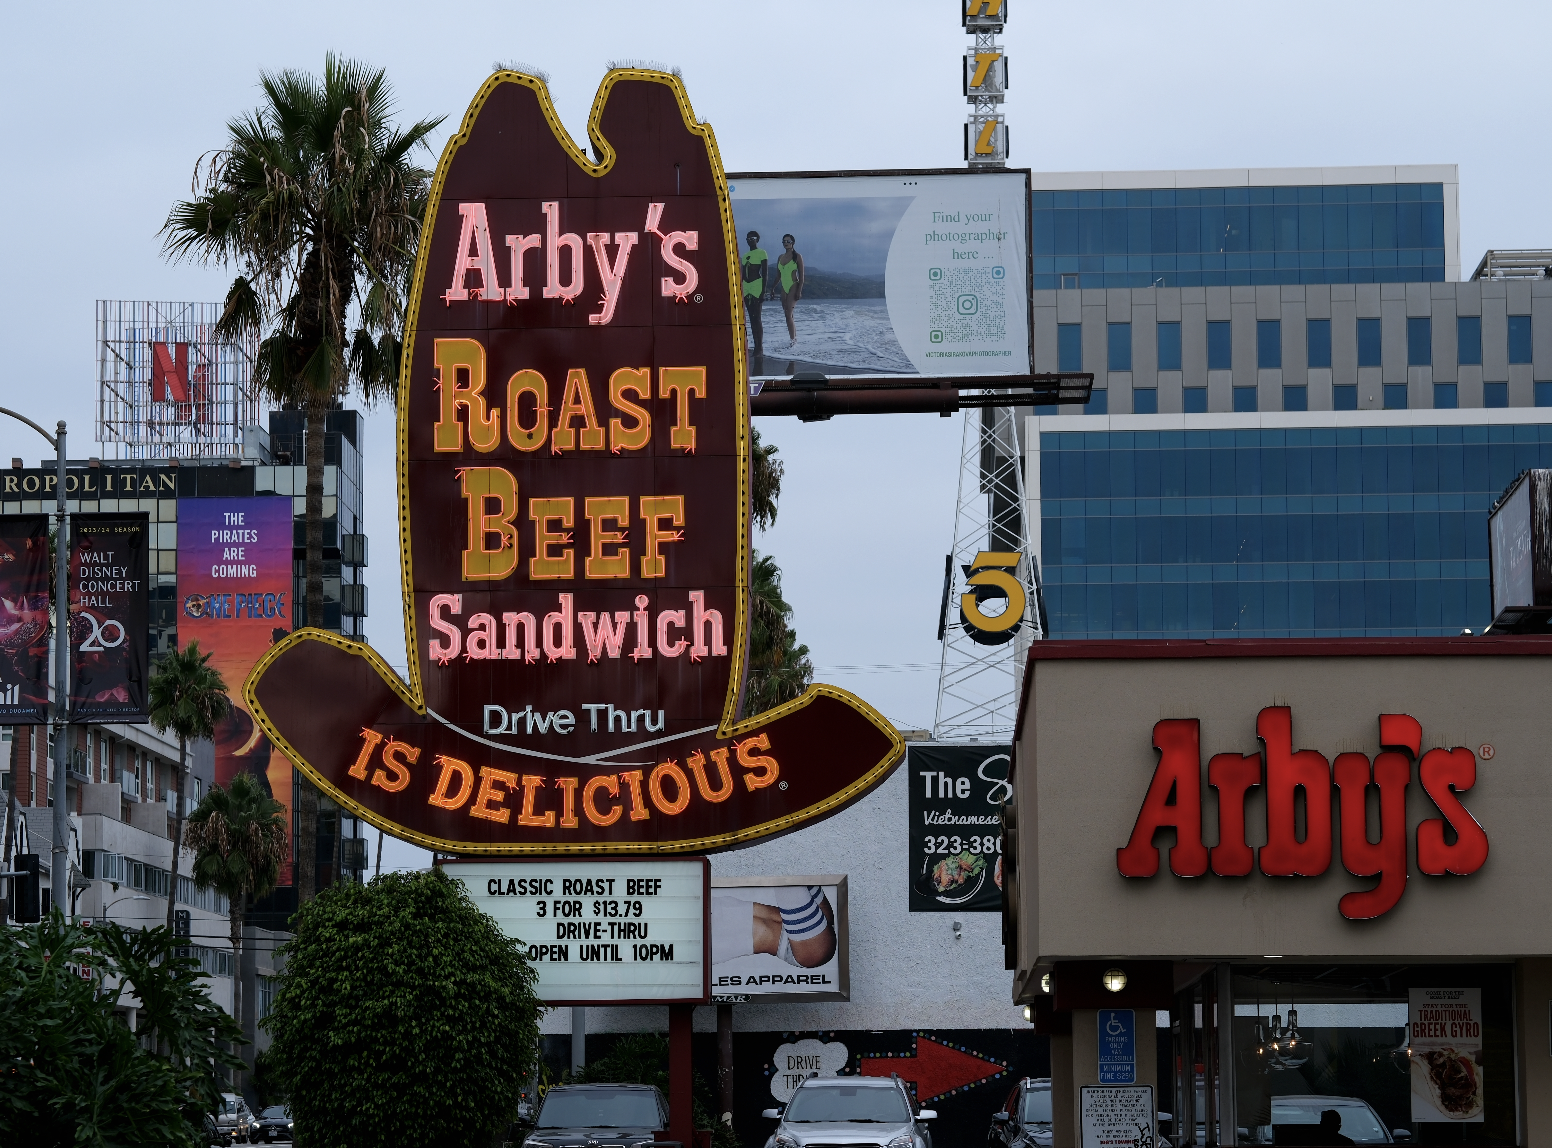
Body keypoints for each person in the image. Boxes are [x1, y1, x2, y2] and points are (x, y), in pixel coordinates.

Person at [712, 885, 836, 969]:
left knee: (792, 870)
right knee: (787, 876)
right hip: (800, 948)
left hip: (815, 918)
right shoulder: (697, 952)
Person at [741, 230, 768, 356]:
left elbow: (765, 273)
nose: (750, 240)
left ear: (757, 239)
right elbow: (742, 275)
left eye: (752, 237)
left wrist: (763, 291)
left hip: (757, 285)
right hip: (746, 287)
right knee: (751, 318)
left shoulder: (762, 253)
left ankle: (759, 347)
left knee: (757, 317)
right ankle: (755, 344)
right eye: (748, 238)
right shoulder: (745, 255)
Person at [776, 232, 805, 346]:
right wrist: (772, 288)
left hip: (794, 285)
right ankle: (793, 339)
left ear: (793, 243)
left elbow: (802, 276)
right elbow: (778, 276)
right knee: (788, 315)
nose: (786, 243)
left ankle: (793, 342)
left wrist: (799, 290)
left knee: (788, 314)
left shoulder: (797, 256)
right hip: (784, 287)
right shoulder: (780, 257)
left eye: (788, 241)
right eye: (784, 241)